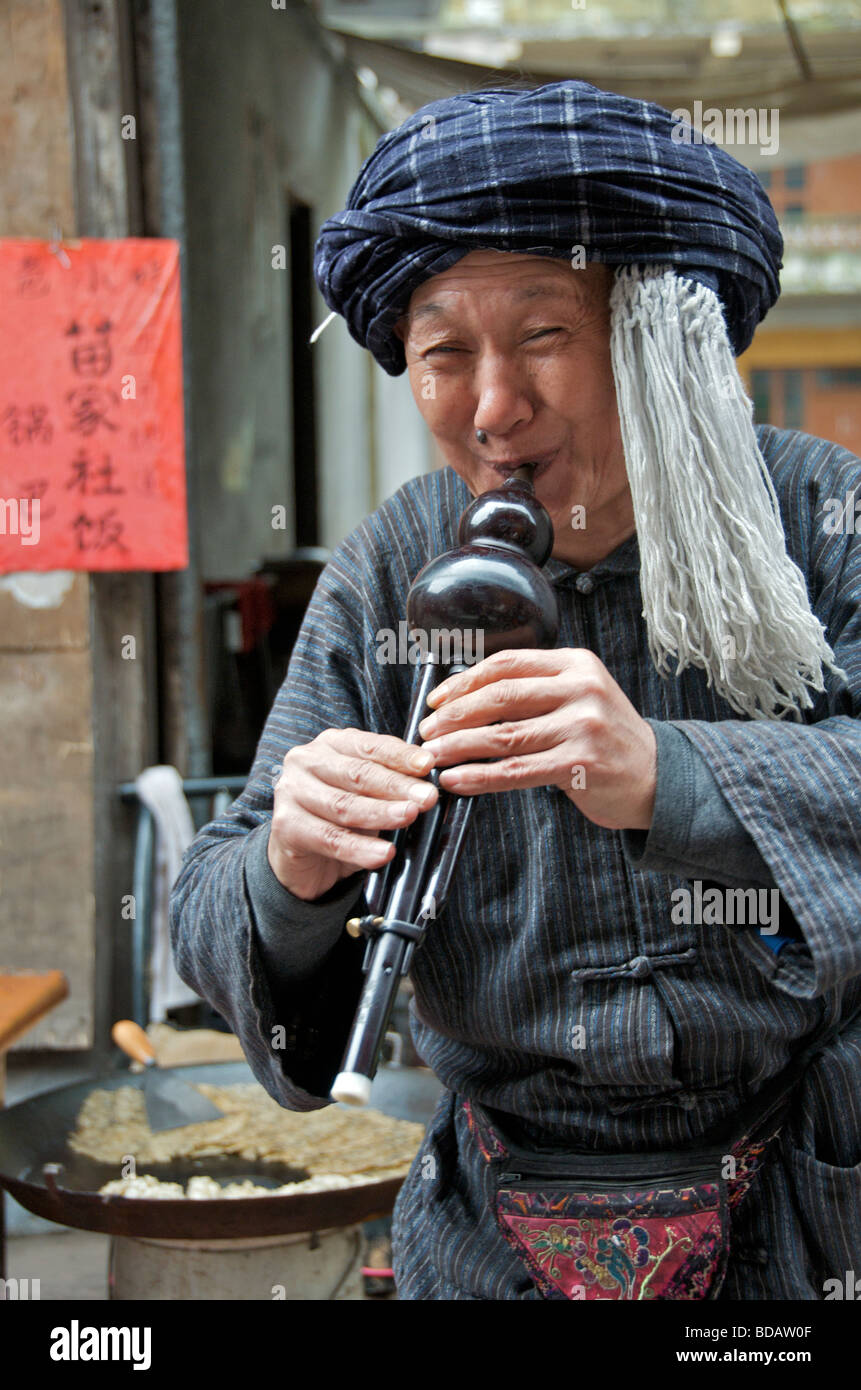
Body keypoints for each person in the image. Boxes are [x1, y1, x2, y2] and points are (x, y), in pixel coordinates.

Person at [170, 82, 861, 1300]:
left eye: (543, 336)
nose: (492, 408)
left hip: (807, 1212)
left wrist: (674, 775)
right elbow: (212, 896)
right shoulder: (393, 565)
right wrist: (291, 866)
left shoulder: (816, 514)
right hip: (498, 1238)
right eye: (444, 351)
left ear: (657, 336)